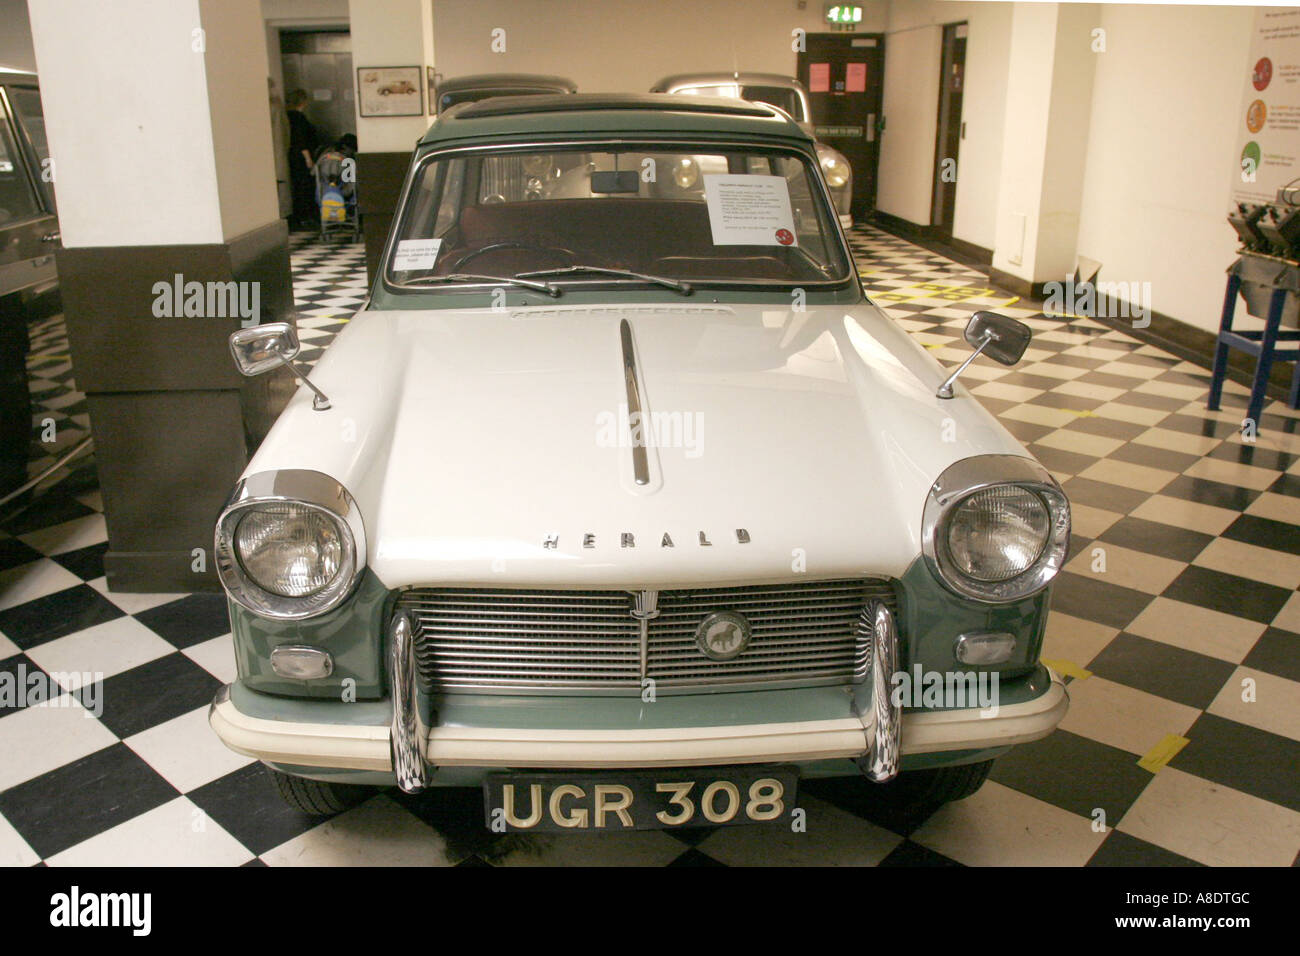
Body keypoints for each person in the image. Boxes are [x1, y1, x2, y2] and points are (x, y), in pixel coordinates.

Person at [286, 89, 320, 230]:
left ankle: (301, 217)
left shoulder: (288, 116)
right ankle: (305, 217)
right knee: (304, 186)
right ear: (303, 101)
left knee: (298, 186)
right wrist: (308, 159)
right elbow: (301, 140)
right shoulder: (298, 118)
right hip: (301, 158)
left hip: (293, 156)